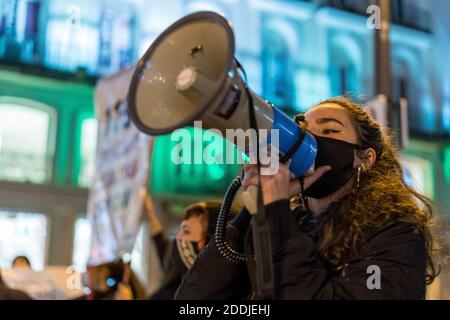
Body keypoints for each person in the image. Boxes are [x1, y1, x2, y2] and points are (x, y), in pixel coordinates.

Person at [175, 96, 437, 300]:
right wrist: (251, 213)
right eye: (302, 129)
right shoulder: (287, 222)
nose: (310, 139)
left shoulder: (394, 233)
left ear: (365, 158)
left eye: (329, 131)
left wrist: (276, 213)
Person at [145, 197, 233, 299]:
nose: (178, 238)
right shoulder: (180, 281)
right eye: (179, 231)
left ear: (209, 243)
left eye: (186, 231)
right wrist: (149, 212)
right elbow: (159, 242)